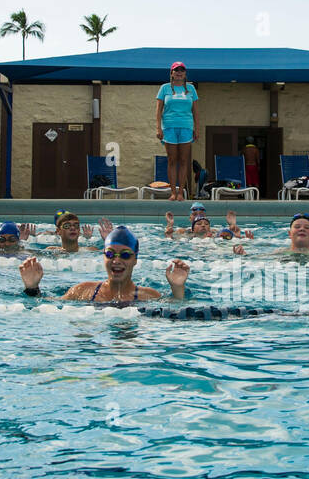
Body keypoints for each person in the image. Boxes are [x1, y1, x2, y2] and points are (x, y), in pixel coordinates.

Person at [18, 226, 189, 302]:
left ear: (135, 260)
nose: (117, 260)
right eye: (110, 254)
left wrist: (177, 288)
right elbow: (47, 303)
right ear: (104, 257)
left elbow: (176, 308)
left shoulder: (149, 296)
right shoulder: (82, 291)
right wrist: (32, 288)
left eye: (125, 255)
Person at [156, 62, 199, 202]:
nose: (179, 72)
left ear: (185, 73)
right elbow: (158, 111)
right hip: (169, 127)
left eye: (182, 70)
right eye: (176, 70)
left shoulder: (191, 88)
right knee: (172, 159)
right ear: (172, 73)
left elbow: (196, 112)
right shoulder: (165, 88)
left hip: (186, 127)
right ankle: (173, 192)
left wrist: (196, 128)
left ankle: (181, 192)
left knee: (184, 160)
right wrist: (158, 127)